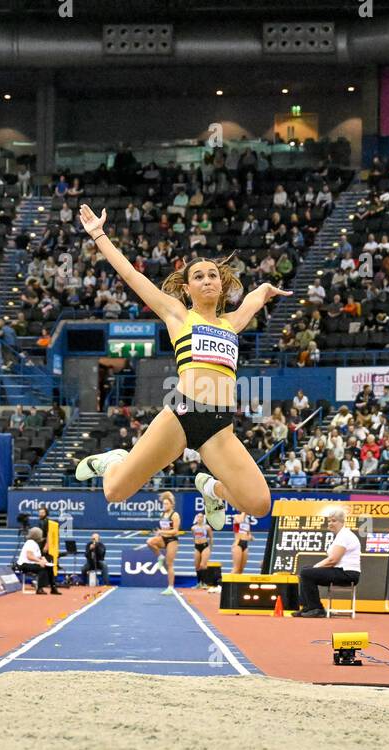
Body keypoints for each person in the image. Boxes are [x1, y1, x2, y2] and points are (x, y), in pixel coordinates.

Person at [74, 203, 287, 533]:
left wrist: (264, 289)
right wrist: (99, 234)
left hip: (219, 426)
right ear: (187, 288)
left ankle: (211, 489)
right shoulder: (178, 314)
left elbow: (254, 300)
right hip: (182, 414)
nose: (206, 280)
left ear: (221, 284)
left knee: (259, 504)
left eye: (212, 275)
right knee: (114, 491)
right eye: (198, 276)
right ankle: (114, 460)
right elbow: (131, 275)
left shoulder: (232, 322)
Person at [294, 507, 361, 618]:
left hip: (348, 574)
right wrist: (314, 568)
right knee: (305, 570)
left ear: (342, 522)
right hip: (340, 571)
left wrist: (315, 567)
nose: (330, 523)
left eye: (333, 521)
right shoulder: (340, 536)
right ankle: (307, 607)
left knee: (306, 573)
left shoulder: (345, 535)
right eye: (329, 521)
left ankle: (317, 608)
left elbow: (333, 560)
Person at [144, 491, 182, 595]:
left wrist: (162, 532)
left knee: (169, 564)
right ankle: (160, 556)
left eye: (166, 504)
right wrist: (159, 534)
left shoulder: (175, 515)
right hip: (163, 538)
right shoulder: (162, 514)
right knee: (149, 542)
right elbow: (162, 528)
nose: (164, 505)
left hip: (172, 540)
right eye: (163, 504)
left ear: (171, 505)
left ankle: (170, 587)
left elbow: (175, 531)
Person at [17, 527, 58, 595]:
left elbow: (37, 556)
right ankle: (39, 588)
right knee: (42, 568)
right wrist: (40, 561)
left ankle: (53, 587)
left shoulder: (35, 544)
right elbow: (29, 556)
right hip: (24, 564)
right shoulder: (30, 542)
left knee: (49, 567)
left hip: (30, 563)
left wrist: (43, 559)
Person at [192, 512, 213, 589]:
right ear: (196, 518)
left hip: (205, 546)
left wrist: (210, 548)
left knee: (203, 565)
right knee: (197, 566)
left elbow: (211, 538)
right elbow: (194, 537)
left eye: (201, 517)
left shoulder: (207, 527)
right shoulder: (193, 528)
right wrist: (195, 544)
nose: (199, 518)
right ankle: (199, 583)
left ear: (203, 518)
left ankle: (204, 583)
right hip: (197, 546)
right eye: (198, 517)